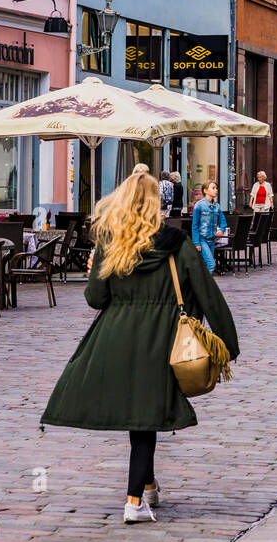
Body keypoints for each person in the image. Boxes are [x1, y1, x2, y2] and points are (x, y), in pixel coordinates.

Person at [41, 164, 239, 523]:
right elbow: (207, 292)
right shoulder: (176, 243)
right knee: (146, 417)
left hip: (116, 337)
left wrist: (95, 271)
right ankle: (133, 502)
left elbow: (96, 298)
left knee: (141, 415)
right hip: (161, 337)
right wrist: (227, 343)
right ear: (156, 204)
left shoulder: (110, 242)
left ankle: (147, 486)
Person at [191, 179, 228, 275]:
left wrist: (222, 230)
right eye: (213, 188)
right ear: (205, 190)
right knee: (211, 264)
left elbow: (223, 221)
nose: (216, 190)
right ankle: (206, 283)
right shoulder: (199, 205)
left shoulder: (217, 206)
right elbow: (195, 226)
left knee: (206, 265)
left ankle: (202, 282)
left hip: (212, 240)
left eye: (216, 188)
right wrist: (196, 243)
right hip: (202, 240)